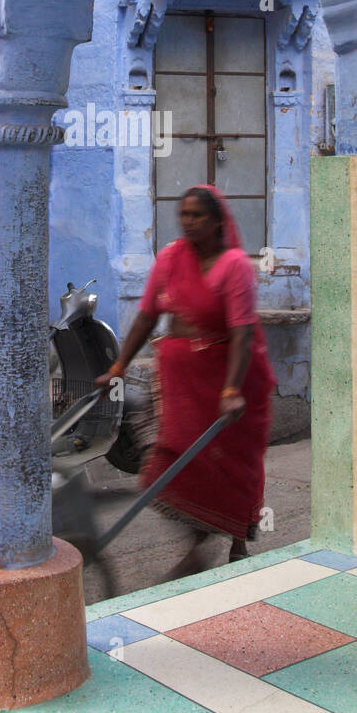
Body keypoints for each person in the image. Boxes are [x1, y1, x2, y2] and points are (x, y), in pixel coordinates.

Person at [96, 185, 276, 578]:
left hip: (227, 381)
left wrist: (231, 391)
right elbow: (146, 315)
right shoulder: (171, 258)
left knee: (229, 463)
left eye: (197, 215)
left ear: (216, 222)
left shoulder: (234, 266)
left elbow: (243, 333)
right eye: (184, 214)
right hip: (179, 383)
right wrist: (118, 367)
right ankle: (201, 536)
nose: (189, 221)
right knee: (173, 458)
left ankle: (228, 540)